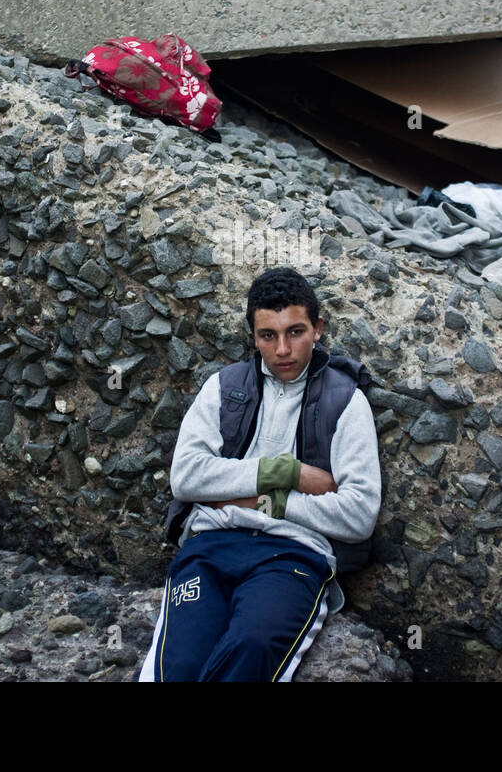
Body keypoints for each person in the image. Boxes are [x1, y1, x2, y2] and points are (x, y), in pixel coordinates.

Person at [138, 266, 381, 682]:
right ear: (253, 336)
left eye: (296, 332)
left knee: (250, 648)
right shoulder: (224, 386)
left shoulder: (346, 401)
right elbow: (187, 477)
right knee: (178, 665)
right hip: (211, 545)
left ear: (318, 328)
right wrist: (284, 472)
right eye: (268, 335)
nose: (283, 349)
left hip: (292, 555)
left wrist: (263, 500)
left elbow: (358, 515)